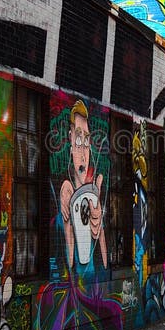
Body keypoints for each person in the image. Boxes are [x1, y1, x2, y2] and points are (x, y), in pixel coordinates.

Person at [59, 100, 108, 269]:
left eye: (86, 142)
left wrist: (99, 228)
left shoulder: (95, 193)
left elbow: (105, 262)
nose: (83, 155)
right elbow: (67, 262)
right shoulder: (65, 191)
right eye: (78, 141)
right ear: (70, 144)